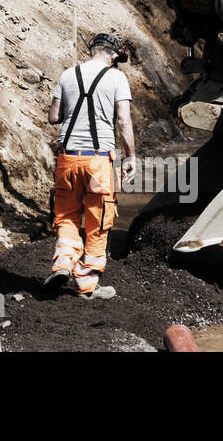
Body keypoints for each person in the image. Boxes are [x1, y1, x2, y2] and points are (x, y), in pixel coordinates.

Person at [48, 32, 137, 298]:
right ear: (111, 54)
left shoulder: (67, 75)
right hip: (98, 160)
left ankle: (63, 262)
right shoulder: (117, 78)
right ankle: (86, 285)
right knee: (99, 220)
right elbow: (123, 121)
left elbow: (53, 116)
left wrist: (74, 107)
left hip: (68, 157)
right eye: (116, 59)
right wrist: (131, 155)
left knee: (65, 214)